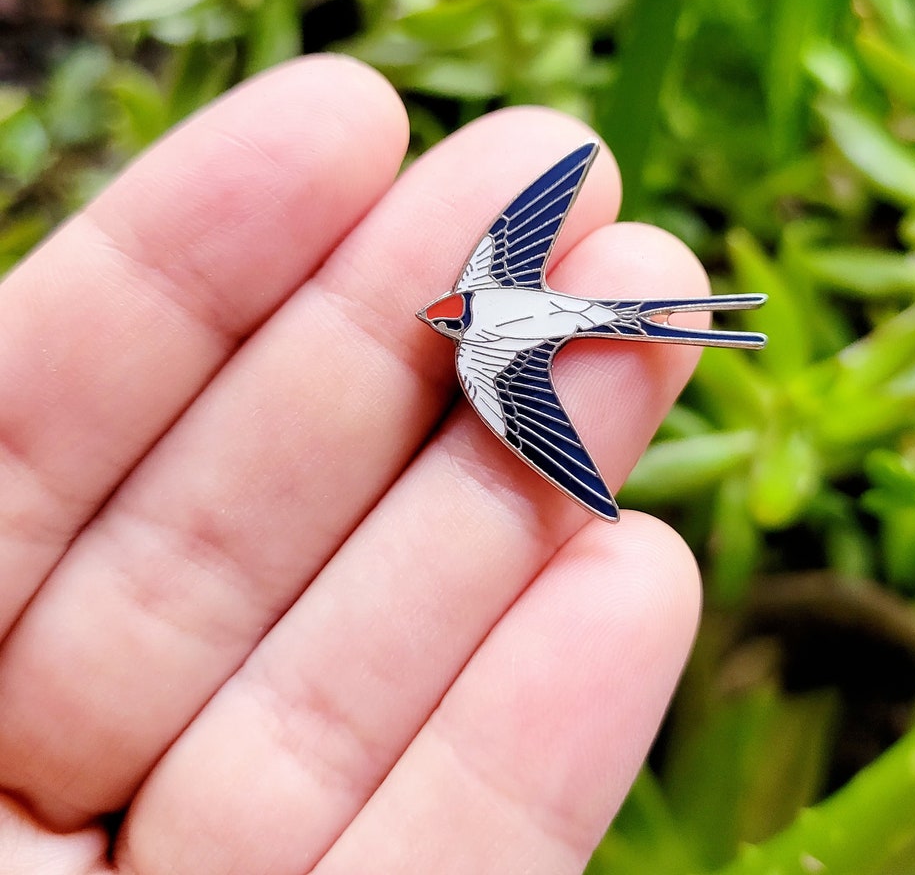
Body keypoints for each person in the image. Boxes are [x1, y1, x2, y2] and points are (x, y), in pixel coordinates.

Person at [0, 55, 704, 874]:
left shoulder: (481, 340)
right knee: (622, 315)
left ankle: (695, 322)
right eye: (448, 319)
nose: (442, 323)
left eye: (449, 319)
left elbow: (521, 244)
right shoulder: (476, 363)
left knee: (621, 311)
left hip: (546, 305)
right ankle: (699, 323)